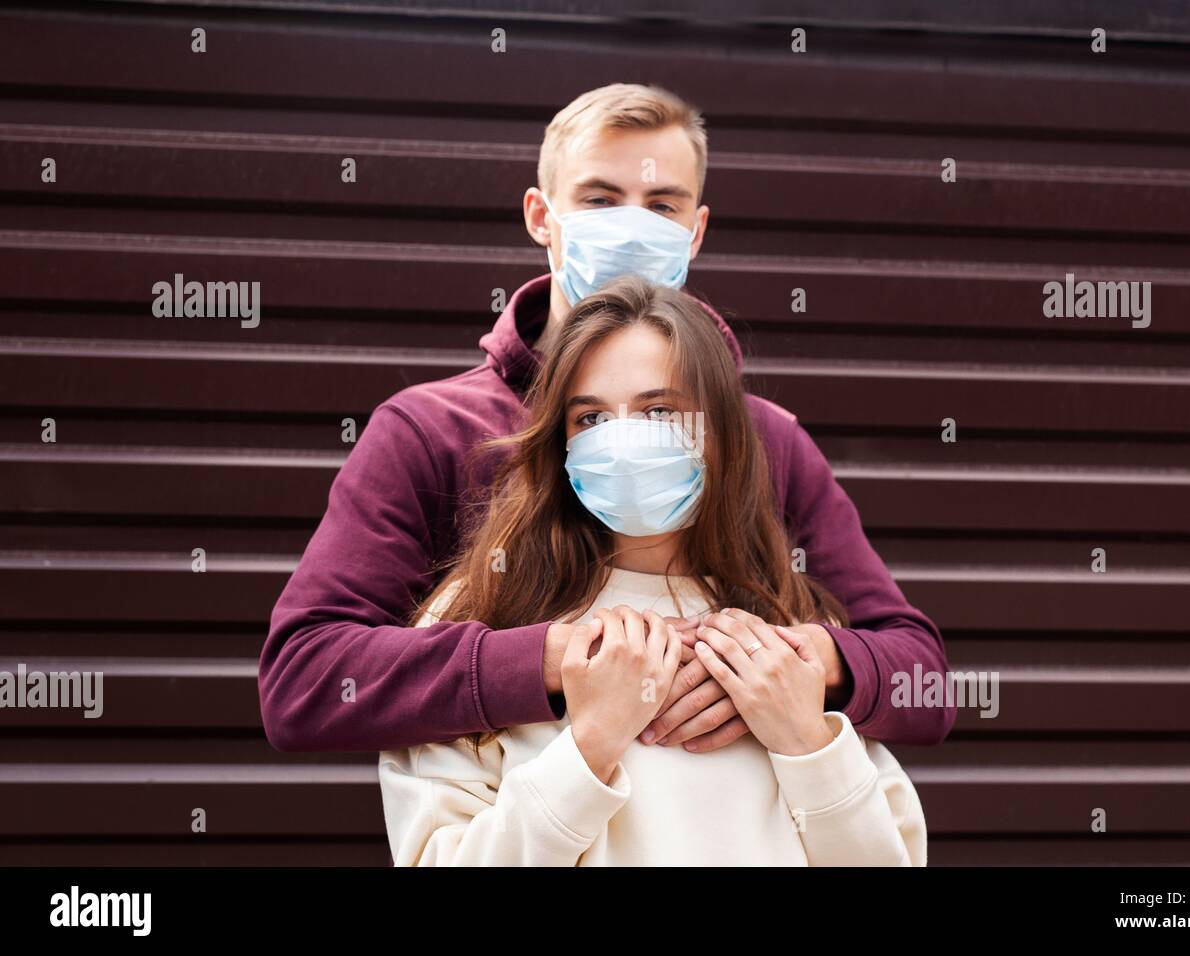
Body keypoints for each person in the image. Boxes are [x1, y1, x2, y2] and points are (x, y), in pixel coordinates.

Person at [260, 82, 953, 760]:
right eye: (599, 199)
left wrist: (801, 662)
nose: (632, 224)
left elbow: (925, 681)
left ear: (696, 230)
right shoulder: (430, 430)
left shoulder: (763, 438)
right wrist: (557, 660)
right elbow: (304, 680)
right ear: (540, 215)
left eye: (661, 204)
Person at [379, 276, 925, 866]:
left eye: (659, 410)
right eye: (590, 419)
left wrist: (806, 744)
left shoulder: (790, 624)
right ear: (556, 440)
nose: (622, 441)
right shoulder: (479, 613)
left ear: (720, 432)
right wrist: (590, 747)